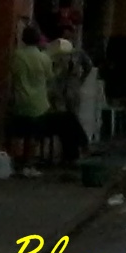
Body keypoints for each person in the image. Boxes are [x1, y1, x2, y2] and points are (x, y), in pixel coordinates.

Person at [6, 26, 53, 178]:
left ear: (23, 39)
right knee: (34, 137)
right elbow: (50, 77)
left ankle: (15, 163)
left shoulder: (17, 56)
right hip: (39, 103)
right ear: (38, 40)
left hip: (20, 102)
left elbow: (12, 76)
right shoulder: (44, 58)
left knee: (18, 133)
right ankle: (29, 165)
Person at [45, 31, 92, 166]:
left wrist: (81, 79)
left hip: (71, 87)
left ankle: (74, 151)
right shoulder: (57, 53)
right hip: (61, 88)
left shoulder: (77, 53)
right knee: (67, 118)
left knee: (72, 116)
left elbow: (88, 65)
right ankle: (73, 150)